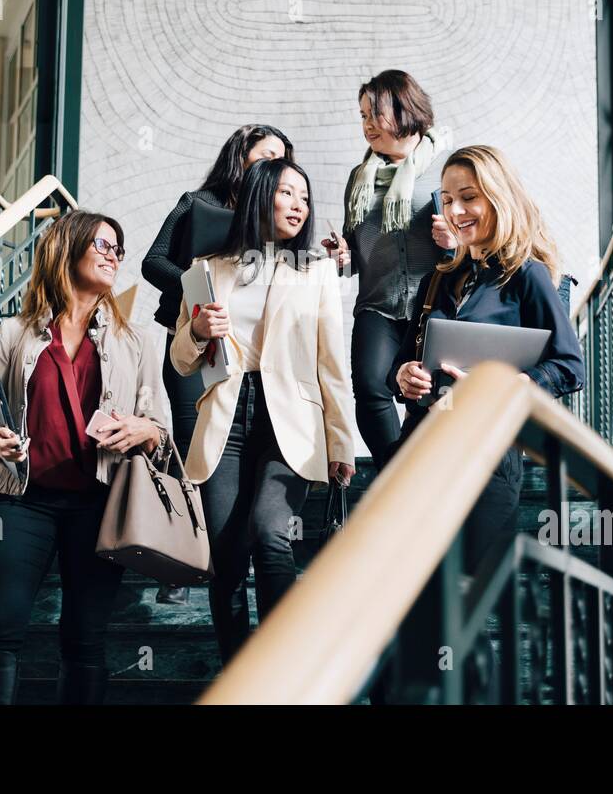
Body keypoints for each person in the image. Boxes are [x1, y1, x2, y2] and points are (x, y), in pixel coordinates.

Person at [379, 144, 584, 701]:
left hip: (487, 461)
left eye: (468, 197)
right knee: (412, 609)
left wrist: (501, 384)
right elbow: (406, 360)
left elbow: (569, 366)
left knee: (457, 612)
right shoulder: (440, 281)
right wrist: (407, 378)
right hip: (422, 452)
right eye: (447, 199)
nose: (456, 210)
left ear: (498, 196)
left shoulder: (528, 275)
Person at [0, 210, 172, 705]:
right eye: (102, 244)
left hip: (100, 506)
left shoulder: (135, 341)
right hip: (21, 502)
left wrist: (141, 429)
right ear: (68, 248)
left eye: (118, 249)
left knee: (85, 638)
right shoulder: (15, 334)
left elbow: (161, 433)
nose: (113, 256)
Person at [169, 157, 356, 663]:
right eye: (287, 193)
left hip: (290, 423)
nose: (300, 205)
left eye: (305, 196)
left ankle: (279, 671)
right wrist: (196, 332)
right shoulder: (206, 269)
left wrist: (342, 442)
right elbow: (182, 361)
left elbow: (332, 365)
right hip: (227, 422)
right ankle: (238, 673)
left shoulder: (315, 270)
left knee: (272, 533)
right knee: (227, 560)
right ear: (259, 194)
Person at [141, 124, 291, 605]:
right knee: (195, 451)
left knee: (238, 461)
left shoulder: (273, 217)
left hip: (250, 365)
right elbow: (152, 262)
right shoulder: (198, 202)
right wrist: (198, 284)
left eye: (282, 160)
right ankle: (183, 561)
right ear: (240, 155)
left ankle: (231, 552)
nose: (273, 167)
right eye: (266, 156)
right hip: (192, 345)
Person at [321, 69, 456, 470]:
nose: (365, 126)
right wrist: (342, 254)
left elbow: (478, 236)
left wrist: (455, 242)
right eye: (361, 116)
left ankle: (429, 481)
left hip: (433, 306)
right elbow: (354, 245)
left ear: (402, 109)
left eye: (372, 114)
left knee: (430, 397)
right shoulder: (358, 178)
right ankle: (395, 475)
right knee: (370, 388)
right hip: (376, 305)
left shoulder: (444, 169)